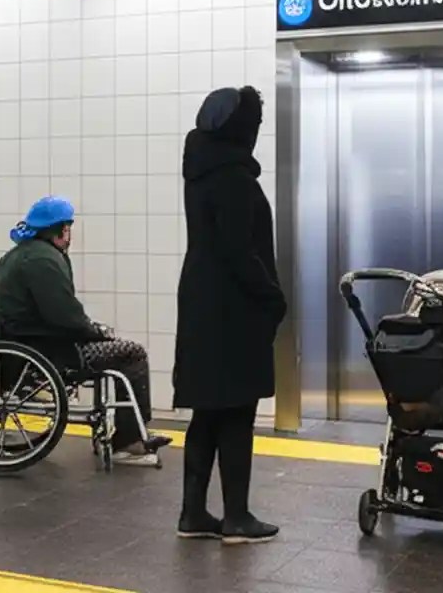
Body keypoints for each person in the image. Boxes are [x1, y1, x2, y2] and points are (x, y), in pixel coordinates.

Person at [174, 86, 286, 545]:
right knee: (238, 411)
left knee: (207, 411)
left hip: (201, 302)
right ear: (242, 129)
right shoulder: (235, 179)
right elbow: (240, 251)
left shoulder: (200, 172)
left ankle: (193, 513)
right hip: (235, 308)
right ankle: (237, 516)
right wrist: (271, 296)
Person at [0, 196, 171, 467]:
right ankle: (128, 443)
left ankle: (128, 433)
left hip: (21, 345)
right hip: (46, 351)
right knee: (131, 353)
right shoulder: (43, 259)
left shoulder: (20, 254)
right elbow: (64, 315)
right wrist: (95, 331)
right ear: (62, 229)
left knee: (113, 349)